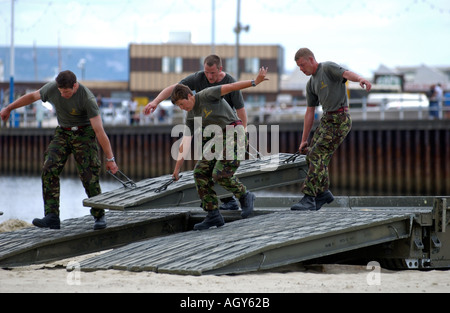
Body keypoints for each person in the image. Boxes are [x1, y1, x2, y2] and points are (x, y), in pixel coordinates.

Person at [0, 70, 119, 230]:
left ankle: (99, 215)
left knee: (89, 175)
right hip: (63, 132)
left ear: (75, 86)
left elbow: (99, 131)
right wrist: (9, 108)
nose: (63, 95)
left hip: (83, 134)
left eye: (67, 92)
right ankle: (52, 216)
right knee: (49, 169)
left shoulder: (87, 98)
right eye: (61, 92)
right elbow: (31, 97)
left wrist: (110, 159)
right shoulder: (52, 88)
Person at [144, 55, 247, 211]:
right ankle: (218, 202)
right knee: (204, 168)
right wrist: (155, 102)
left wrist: (242, 138)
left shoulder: (228, 82)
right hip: (207, 126)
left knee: (221, 169)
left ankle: (235, 197)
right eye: (207, 72)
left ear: (220, 69)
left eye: (213, 73)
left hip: (228, 127)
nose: (209, 76)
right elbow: (175, 89)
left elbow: (241, 112)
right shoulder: (198, 78)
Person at [170, 67, 268, 230]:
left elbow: (231, 87)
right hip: (217, 140)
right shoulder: (191, 116)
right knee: (200, 172)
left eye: (182, 104)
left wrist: (254, 82)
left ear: (189, 96)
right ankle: (213, 214)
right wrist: (176, 169)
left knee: (220, 174)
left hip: (234, 133)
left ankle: (245, 196)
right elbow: (185, 142)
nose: (182, 108)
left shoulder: (207, 94)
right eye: (179, 107)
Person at [291, 48, 372, 211]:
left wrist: (360, 79)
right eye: (298, 66)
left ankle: (309, 197)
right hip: (327, 119)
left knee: (317, 155)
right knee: (311, 155)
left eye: (302, 65)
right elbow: (309, 112)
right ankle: (323, 193)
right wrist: (304, 140)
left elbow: (346, 74)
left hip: (340, 119)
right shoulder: (310, 84)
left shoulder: (327, 68)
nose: (301, 69)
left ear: (311, 59)